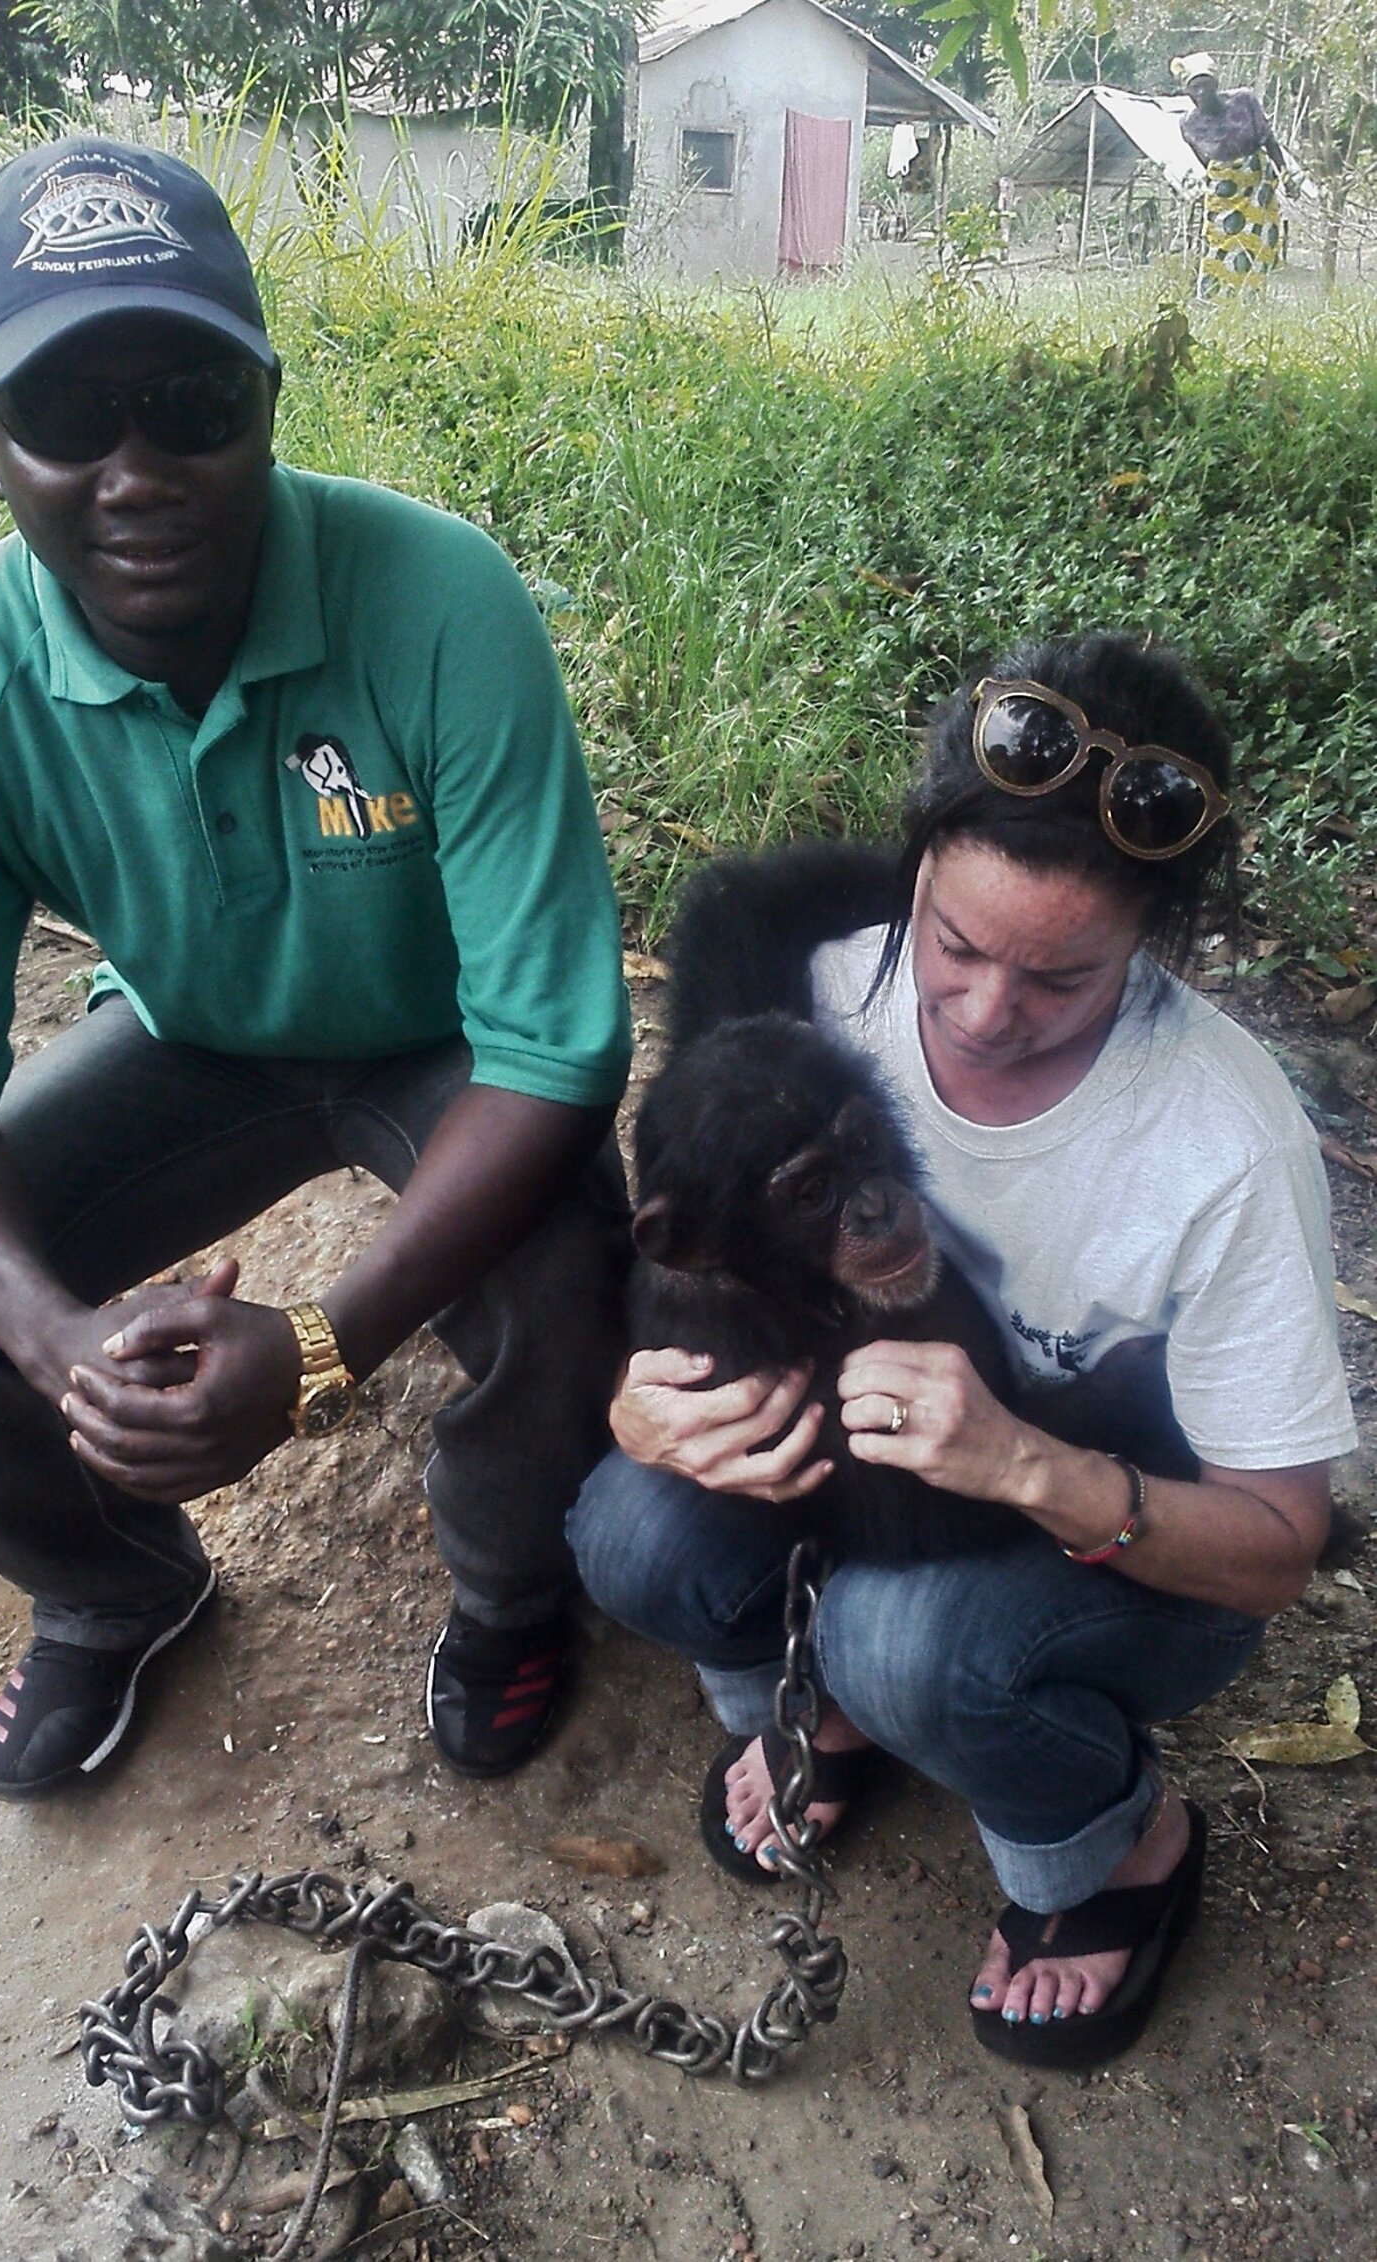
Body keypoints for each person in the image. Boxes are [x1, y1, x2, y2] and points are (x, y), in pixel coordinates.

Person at [0, 136, 633, 1801]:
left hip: (443, 1043)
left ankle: (508, 1584)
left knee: (562, 1267)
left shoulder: (438, 599)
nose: (136, 468)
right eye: (64, 413)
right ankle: (116, 1584)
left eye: (190, 398)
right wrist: (63, 1347)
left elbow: (550, 1045)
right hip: (194, 1040)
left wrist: (319, 1348)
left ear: (265, 395)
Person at [569, 632, 1355, 2069]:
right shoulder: (811, 964)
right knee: (628, 1525)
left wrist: (1029, 1464)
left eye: (1061, 978)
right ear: (910, 869)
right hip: (894, 1449)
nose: (988, 1012)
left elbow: (1272, 1553)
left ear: (1153, 946)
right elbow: (686, 1216)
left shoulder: (1220, 1144)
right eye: (953, 944)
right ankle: (831, 1719)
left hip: (1128, 1512)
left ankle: (1118, 1849)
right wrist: (641, 1403)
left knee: (901, 1637)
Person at [1174, 52, 1303, 292]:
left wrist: (1286, 178)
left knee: (1257, 246)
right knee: (1216, 248)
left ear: (1216, 83)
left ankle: (1251, 300)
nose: (1202, 92)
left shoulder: (1244, 101)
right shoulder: (1188, 123)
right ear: (1187, 92)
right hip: (1222, 193)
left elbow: (1270, 142)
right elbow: (1206, 162)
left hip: (1257, 188)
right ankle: (1214, 302)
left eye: (1206, 85)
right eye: (1195, 87)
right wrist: (1226, 180)